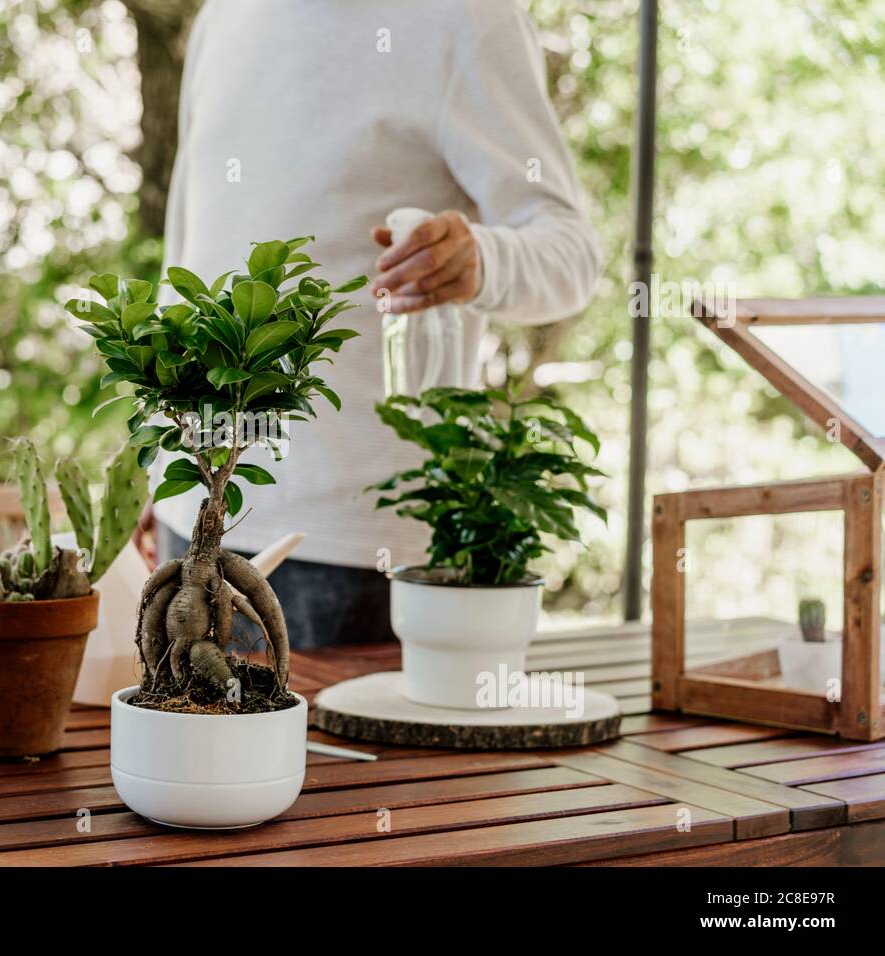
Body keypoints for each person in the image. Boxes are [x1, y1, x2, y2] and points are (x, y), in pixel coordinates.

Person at [151, 0, 603, 648]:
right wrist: (156, 458)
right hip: (192, 515)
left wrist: (483, 259)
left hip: (355, 547)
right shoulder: (225, 15)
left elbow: (573, 253)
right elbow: (188, 250)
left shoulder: (469, 19)